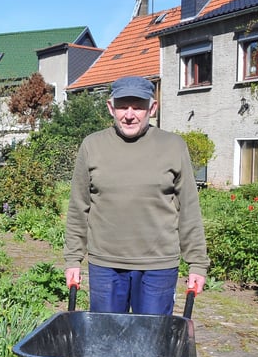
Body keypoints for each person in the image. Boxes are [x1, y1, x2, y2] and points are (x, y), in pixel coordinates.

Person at [63, 75, 209, 315]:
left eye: (138, 106)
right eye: (122, 106)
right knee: (107, 342)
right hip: (105, 265)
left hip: (158, 267)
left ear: (152, 108)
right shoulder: (92, 146)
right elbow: (78, 208)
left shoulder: (173, 146)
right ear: (111, 107)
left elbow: (189, 209)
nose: (129, 114)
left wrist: (197, 264)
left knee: (151, 344)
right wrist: (73, 260)